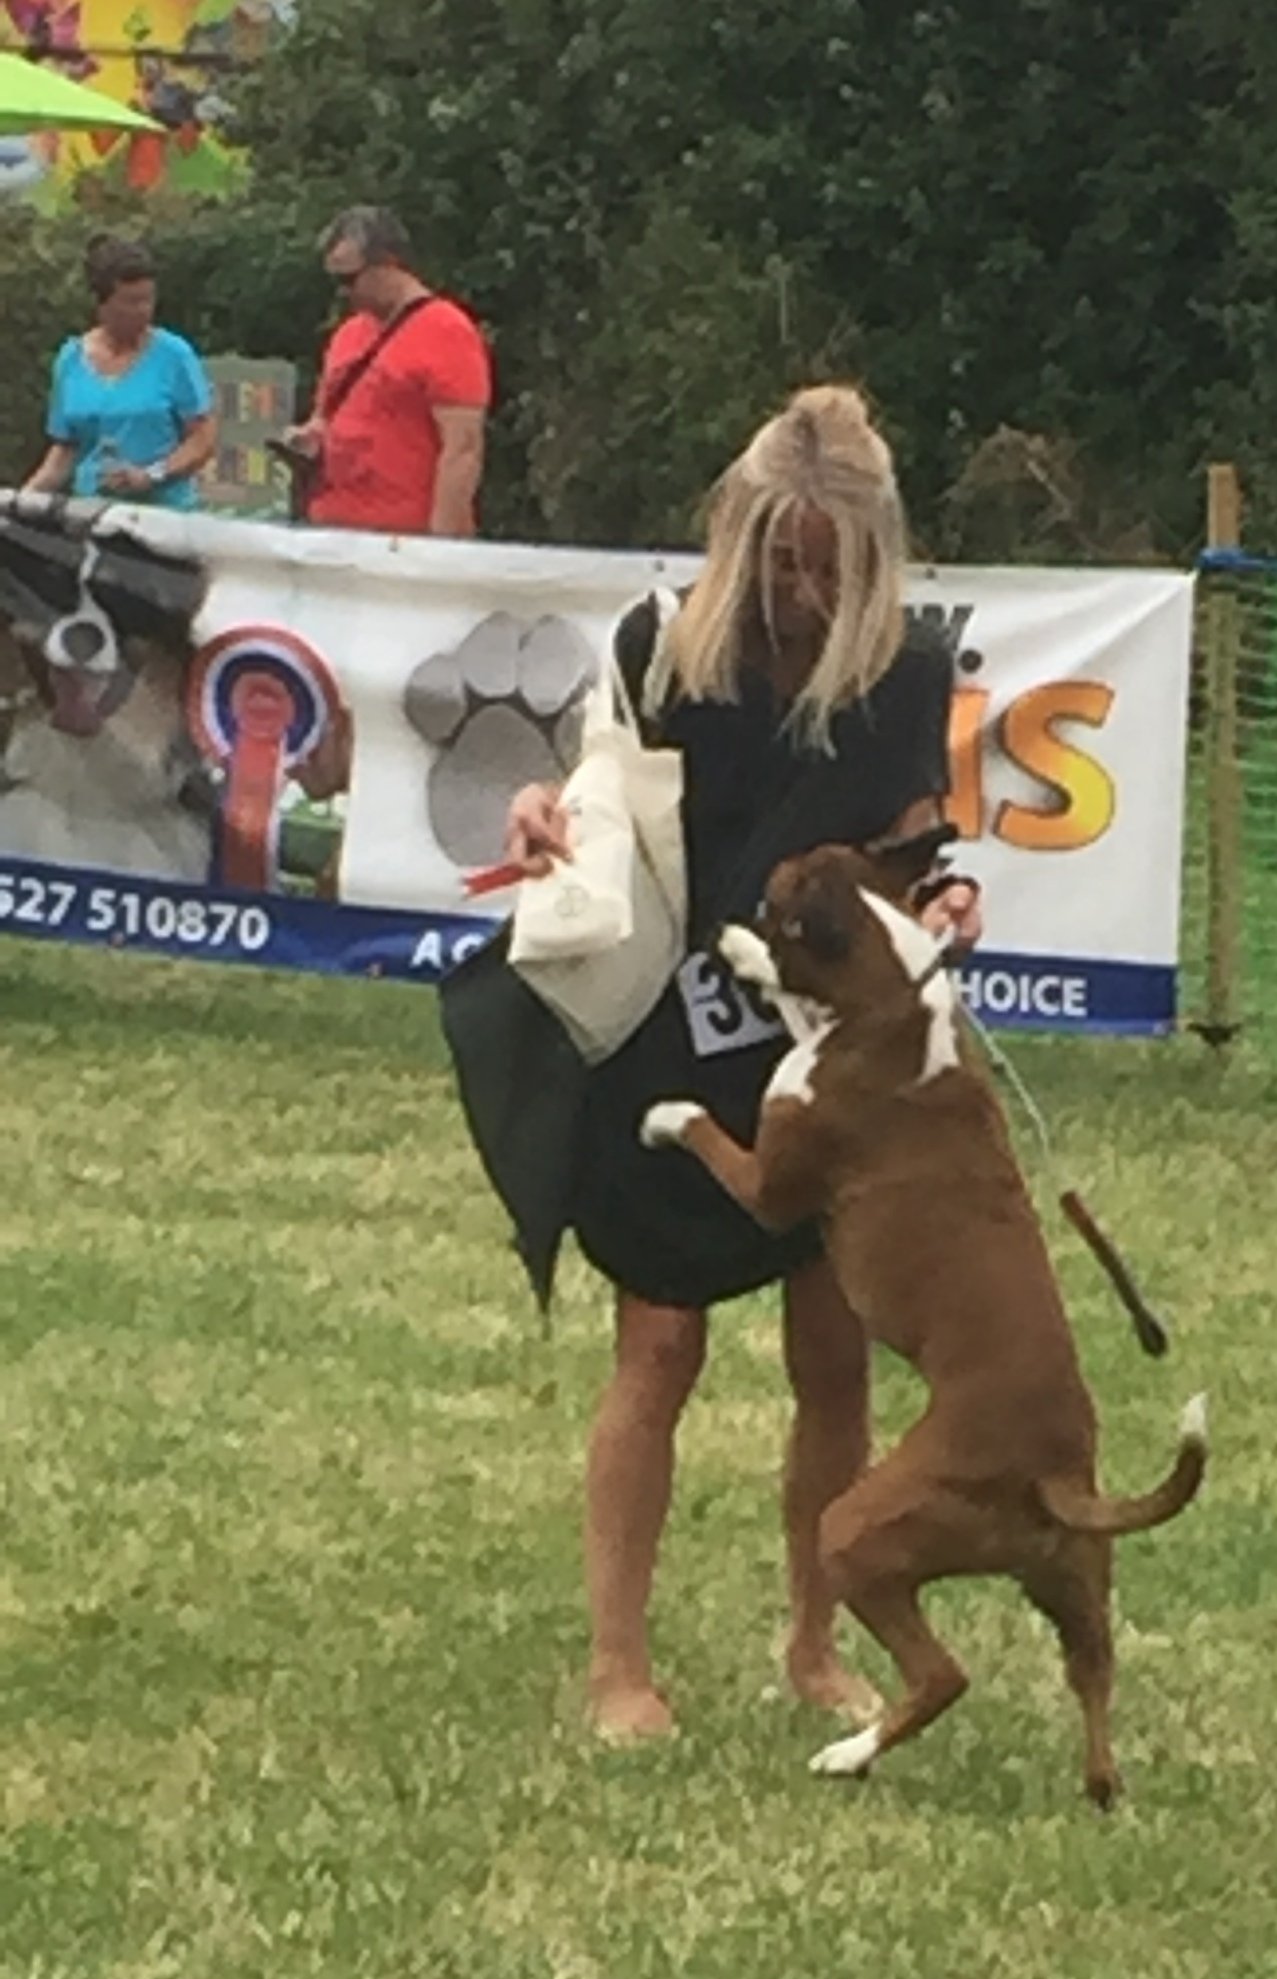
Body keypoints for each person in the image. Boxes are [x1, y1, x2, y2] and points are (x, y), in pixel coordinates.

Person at [440, 385, 982, 1743]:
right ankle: (619, 1669)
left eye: (830, 564)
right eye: (784, 557)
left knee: (833, 1357)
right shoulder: (666, 646)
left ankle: (813, 1643)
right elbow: (597, 794)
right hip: (671, 1026)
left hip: (820, 1044)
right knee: (660, 1340)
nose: (803, 590)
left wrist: (948, 898)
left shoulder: (911, 668)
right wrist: (546, 818)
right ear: (742, 532)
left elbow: (919, 839)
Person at [285, 206, 491, 537]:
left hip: (402, 536)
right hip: (331, 529)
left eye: (349, 279)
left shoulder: (446, 331)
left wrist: (443, 547)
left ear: (388, 264)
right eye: (335, 280)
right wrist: (310, 437)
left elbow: (462, 449)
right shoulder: (349, 335)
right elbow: (326, 416)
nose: (343, 292)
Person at [23, 234, 216, 510]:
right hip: (91, 513)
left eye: (148, 300)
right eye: (130, 302)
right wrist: (23, 501)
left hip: (162, 517)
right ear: (102, 303)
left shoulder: (175, 355)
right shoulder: (71, 360)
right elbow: (65, 449)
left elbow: (202, 439)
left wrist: (152, 475)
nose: (143, 311)